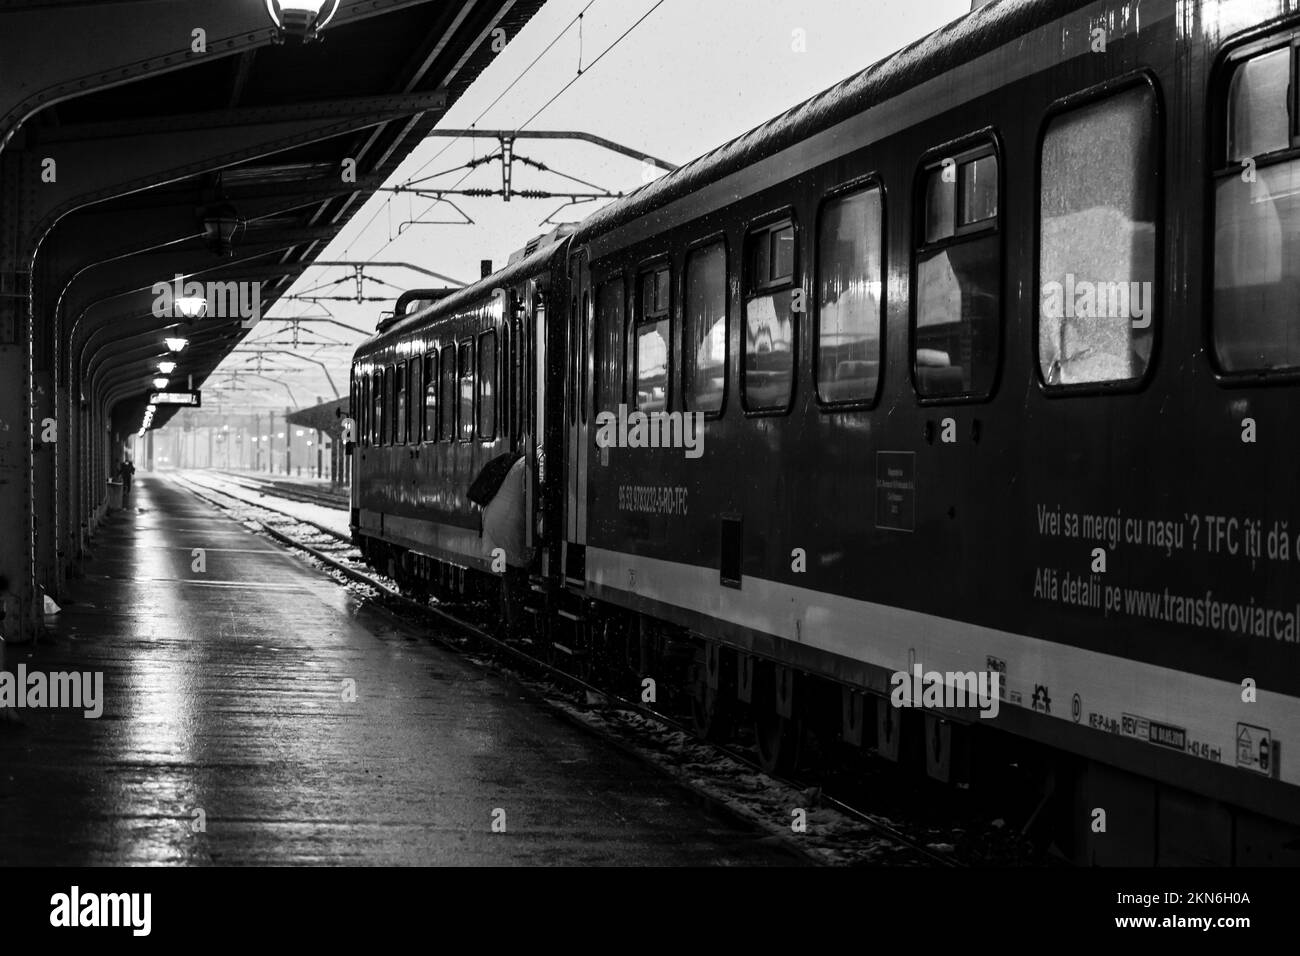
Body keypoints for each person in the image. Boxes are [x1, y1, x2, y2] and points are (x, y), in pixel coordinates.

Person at [480, 455, 529, 638]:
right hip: (509, 527)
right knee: (513, 575)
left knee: (507, 575)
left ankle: (506, 621)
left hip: (497, 523)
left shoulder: (522, 462)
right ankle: (514, 627)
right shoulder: (534, 463)